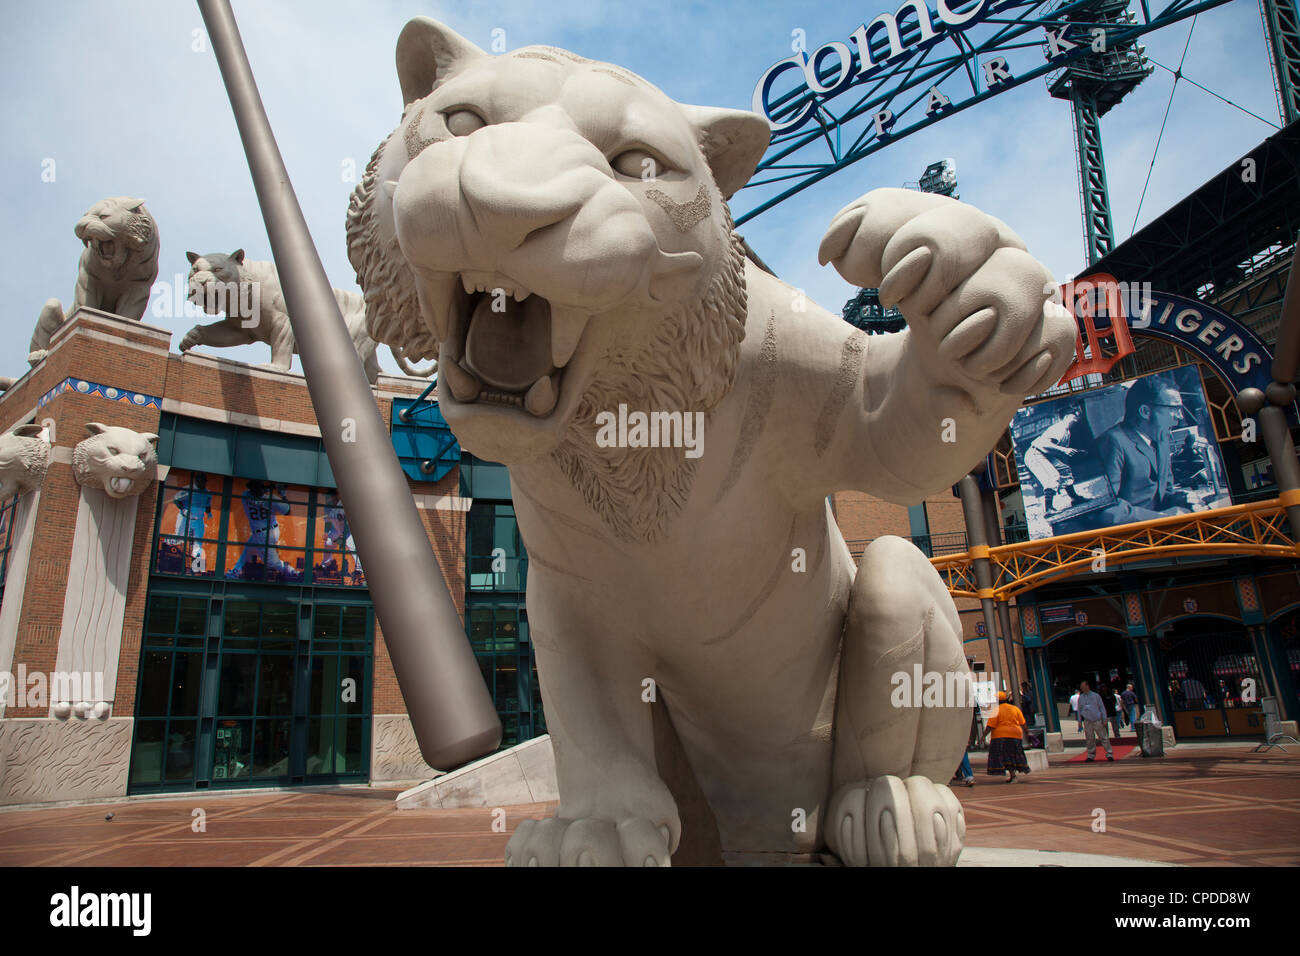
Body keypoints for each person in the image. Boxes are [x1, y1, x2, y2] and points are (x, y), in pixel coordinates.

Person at [1097, 376, 1198, 524]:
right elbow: (1105, 508)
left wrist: (1178, 498)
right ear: (1145, 411)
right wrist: (1162, 518)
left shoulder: (1161, 439)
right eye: (1174, 409)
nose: (1180, 417)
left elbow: (1164, 491)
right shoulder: (1112, 442)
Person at [1024, 406, 1086, 513]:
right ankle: (1048, 509)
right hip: (1035, 453)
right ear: (1067, 417)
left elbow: (1057, 451)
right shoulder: (1059, 428)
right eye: (1074, 416)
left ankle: (1075, 498)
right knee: (1053, 477)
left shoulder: (1066, 431)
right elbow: (1044, 444)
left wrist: (1071, 452)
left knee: (1064, 470)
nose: (1076, 418)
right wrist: (1064, 450)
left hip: (1044, 454)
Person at [981, 691, 1031, 782]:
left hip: (1000, 737)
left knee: (1005, 756)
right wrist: (1027, 732)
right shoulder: (1015, 709)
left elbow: (990, 726)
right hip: (1015, 735)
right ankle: (1014, 774)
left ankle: (1013, 775)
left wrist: (983, 736)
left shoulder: (996, 710)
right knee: (1014, 755)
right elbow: (1023, 723)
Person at [1076, 680, 1114, 761]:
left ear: (1087, 686)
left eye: (1082, 686)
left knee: (1103, 737)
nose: (1081, 688)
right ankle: (1091, 755)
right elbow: (1079, 709)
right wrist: (1079, 721)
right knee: (1090, 738)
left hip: (1097, 719)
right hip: (1087, 720)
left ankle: (1109, 753)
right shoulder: (1081, 697)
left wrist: (1104, 718)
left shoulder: (1096, 696)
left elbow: (1101, 707)